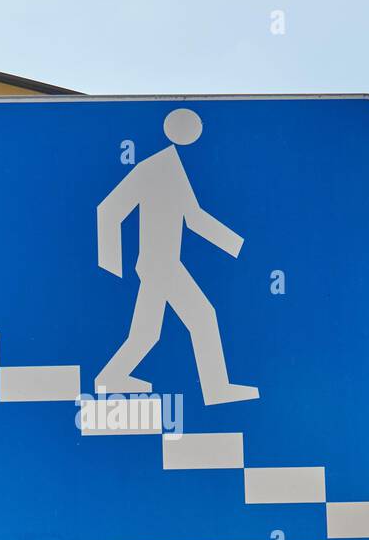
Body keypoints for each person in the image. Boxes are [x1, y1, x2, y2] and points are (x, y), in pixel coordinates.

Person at [94, 107, 259, 406]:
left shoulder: (173, 167)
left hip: (163, 264)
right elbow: (108, 210)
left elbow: (193, 218)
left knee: (147, 333)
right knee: (202, 317)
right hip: (160, 264)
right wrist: (110, 267)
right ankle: (216, 389)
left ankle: (109, 378)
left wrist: (237, 246)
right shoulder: (156, 167)